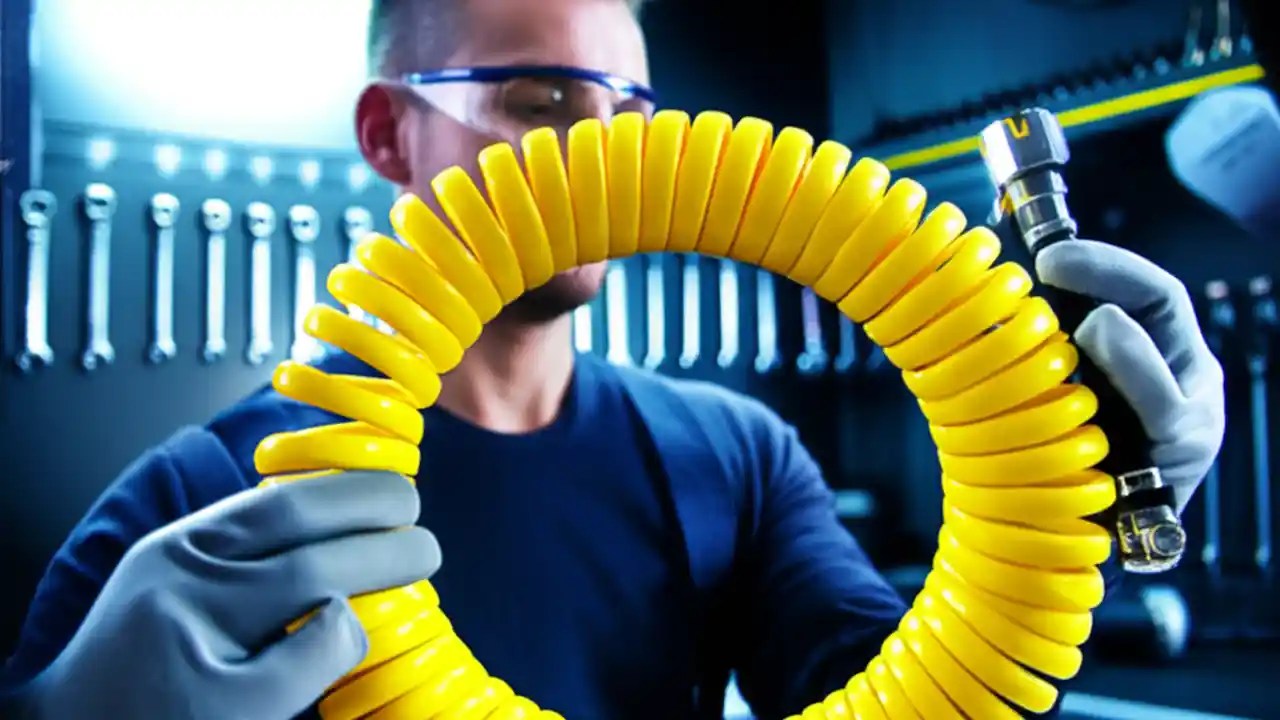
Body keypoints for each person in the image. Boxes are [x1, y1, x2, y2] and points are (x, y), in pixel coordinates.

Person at [0, 0, 1226, 718]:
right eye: (539, 102)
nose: (604, 156)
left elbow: (913, 687)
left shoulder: (733, 454)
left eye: (630, 116)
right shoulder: (211, 499)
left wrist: (1067, 496)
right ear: (389, 131)